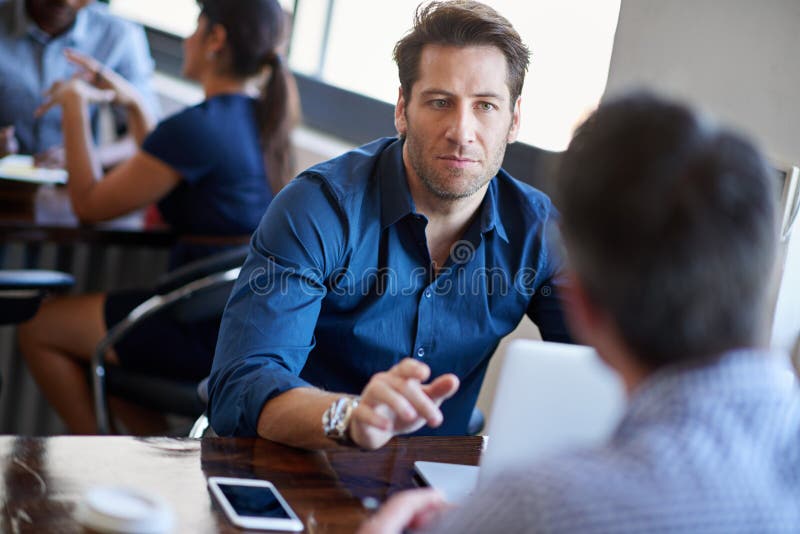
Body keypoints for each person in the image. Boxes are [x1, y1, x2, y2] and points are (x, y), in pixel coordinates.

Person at [359, 93, 800, 533]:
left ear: (583, 304)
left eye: (487, 105)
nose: (461, 131)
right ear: (764, 270)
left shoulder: (544, 506)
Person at [208, 0, 571, 450]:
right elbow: (241, 385)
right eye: (440, 102)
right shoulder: (319, 208)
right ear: (402, 110)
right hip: (299, 465)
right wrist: (350, 417)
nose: (462, 131)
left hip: (436, 488)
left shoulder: (540, 232)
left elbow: (608, 370)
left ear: (513, 121)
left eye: (486, 106)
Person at [18, 0, 299, 434]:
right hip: (234, 328)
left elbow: (89, 204)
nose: (187, 39)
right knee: (101, 358)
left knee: (38, 327)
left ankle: (95, 463)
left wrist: (74, 105)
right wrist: (132, 101)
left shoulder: (197, 126)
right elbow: (161, 163)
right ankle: (138, 469)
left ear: (215, 40)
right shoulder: (257, 119)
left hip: (193, 328)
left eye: (195, 28)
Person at [0, 0, 160, 167]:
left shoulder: (120, 35)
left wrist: (84, 158)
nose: (65, 1)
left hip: (71, 183)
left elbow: (146, 135)